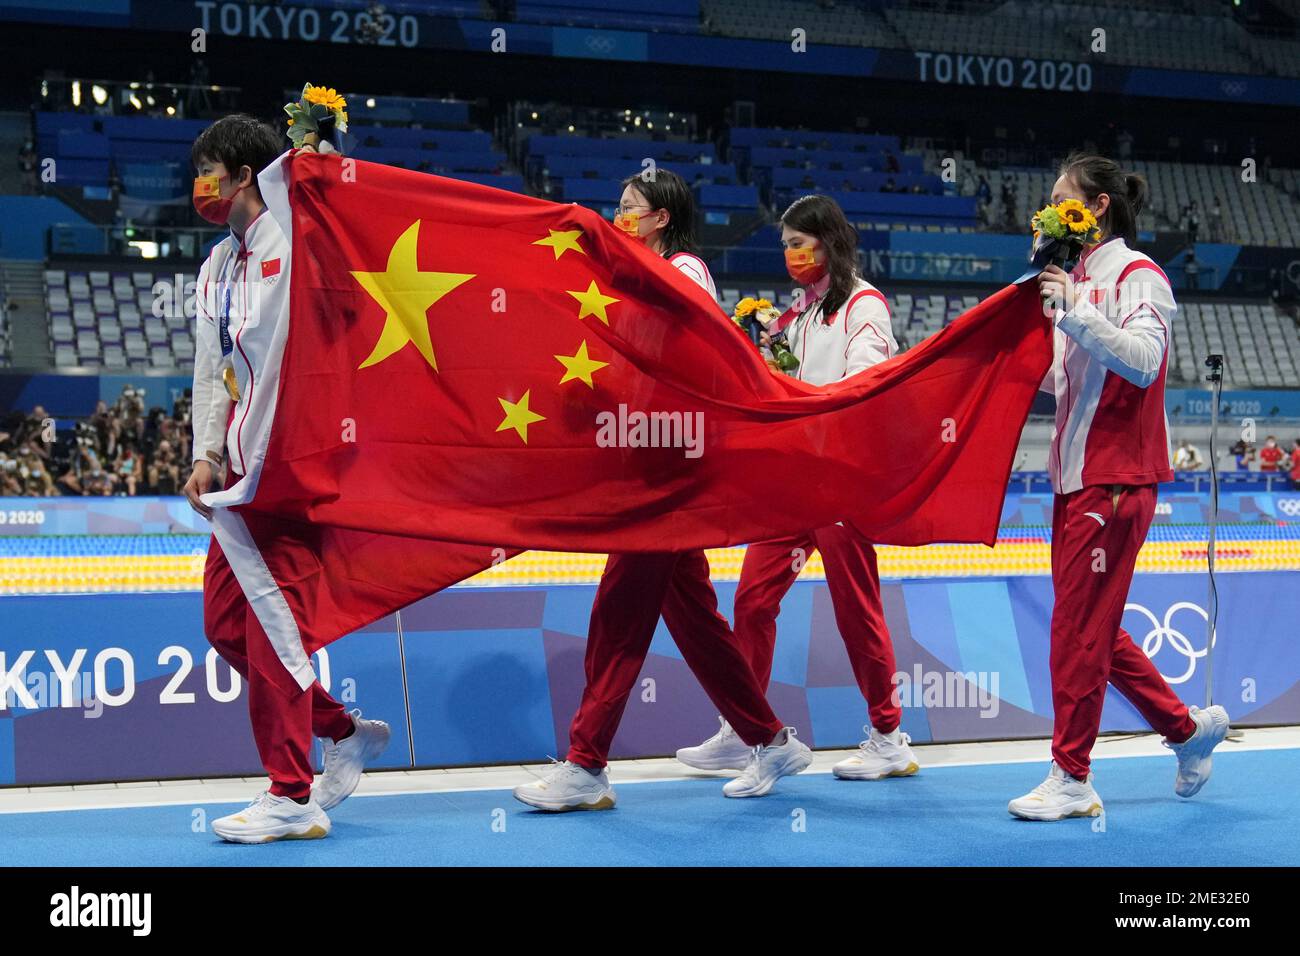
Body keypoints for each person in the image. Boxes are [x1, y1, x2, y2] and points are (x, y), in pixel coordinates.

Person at [512, 169, 812, 813]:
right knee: (696, 621)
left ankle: (586, 764)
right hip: (646, 462)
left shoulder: (687, 270)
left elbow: (680, 346)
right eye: (615, 208)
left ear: (661, 219)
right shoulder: (627, 278)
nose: (618, 216)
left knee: (618, 614)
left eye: (629, 208)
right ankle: (770, 738)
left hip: (675, 470)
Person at [183, 114, 391, 843]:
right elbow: (213, 370)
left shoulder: (301, 243)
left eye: (209, 171)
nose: (197, 186)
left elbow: (353, 281)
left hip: (298, 466)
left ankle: (290, 794)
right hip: (239, 472)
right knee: (225, 625)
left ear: (245, 176)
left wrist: (321, 169)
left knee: (274, 628)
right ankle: (342, 729)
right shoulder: (214, 267)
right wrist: (205, 453)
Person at [1011, 152, 1229, 821]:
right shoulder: (1071, 284)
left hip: (1116, 479)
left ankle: (1072, 776)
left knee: (1077, 630)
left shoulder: (1139, 275)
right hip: (1072, 479)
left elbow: (1142, 362)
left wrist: (1073, 312)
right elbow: (1069, 383)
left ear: (1095, 206)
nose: (1044, 212)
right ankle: (1186, 732)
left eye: (1056, 198)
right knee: (1093, 630)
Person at [676, 194, 918, 781]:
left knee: (854, 607)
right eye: (783, 245)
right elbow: (779, 382)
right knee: (753, 602)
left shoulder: (865, 305)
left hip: (840, 481)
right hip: (793, 481)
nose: (789, 254)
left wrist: (803, 399)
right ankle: (747, 729)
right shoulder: (799, 313)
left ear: (829, 242)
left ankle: (889, 737)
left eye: (798, 244)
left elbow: (865, 382)